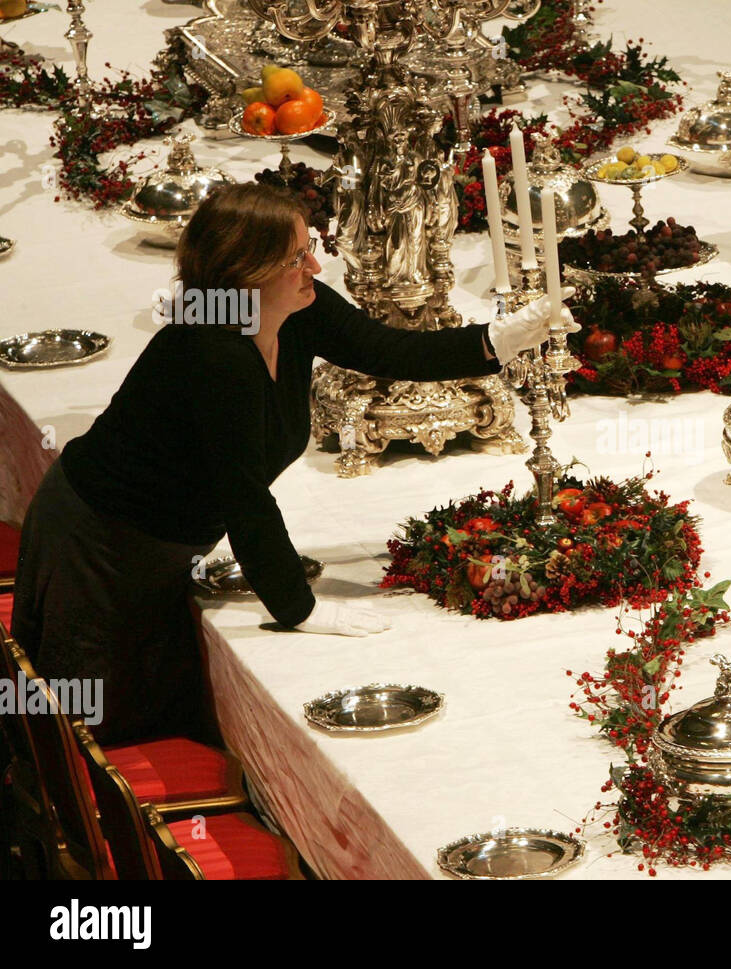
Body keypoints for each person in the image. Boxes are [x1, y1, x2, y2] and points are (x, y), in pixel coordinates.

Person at [11, 182, 572, 745]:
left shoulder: (297, 308)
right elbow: (244, 497)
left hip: (162, 541)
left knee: (149, 711)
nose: (316, 264)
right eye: (296, 257)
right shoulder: (211, 353)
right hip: (101, 547)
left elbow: (391, 352)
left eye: (309, 247)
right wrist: (298, 607)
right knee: (91, 732)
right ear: (247, 272)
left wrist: (502, 337)